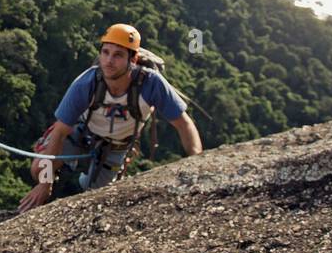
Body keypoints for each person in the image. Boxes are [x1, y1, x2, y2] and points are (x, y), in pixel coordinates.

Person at [19, 23, 202, 212]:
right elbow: (59, 133)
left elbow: (184, 123)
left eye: (118, 55)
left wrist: (197, 161)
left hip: (116, 148)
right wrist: (45, 182)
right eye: (105, 52)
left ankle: (83, 176)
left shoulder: (150, 84)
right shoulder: (87, 83)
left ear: (133, 59)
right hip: (82, 134)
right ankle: (63, 169)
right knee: (39, 169)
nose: (108, 61)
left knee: (95, 199)